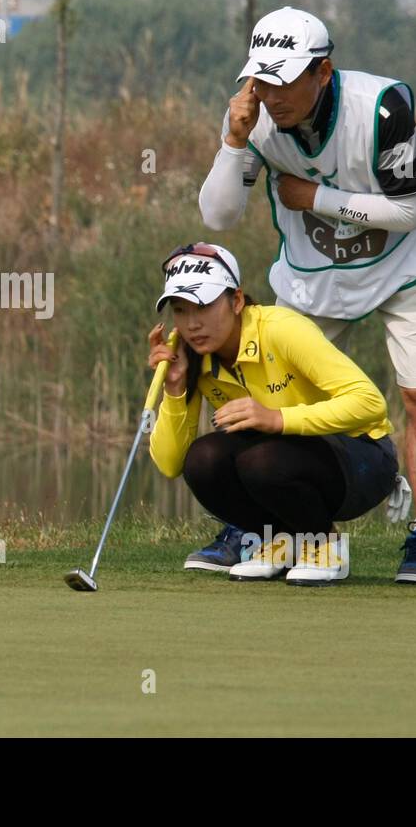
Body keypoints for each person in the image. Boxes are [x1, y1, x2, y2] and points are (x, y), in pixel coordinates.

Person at [199, 6, 416, 585]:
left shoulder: (384, 107)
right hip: (318, 268)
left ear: (323, 72)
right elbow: (219, 215)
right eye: (262, 79)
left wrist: (315, 198)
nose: (273, 94)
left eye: (287, 78)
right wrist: (234, 140)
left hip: (410, 262)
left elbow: (412, 207)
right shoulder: (252, 119)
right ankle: (265, 525)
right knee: (276, 387)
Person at [147, 242, 399, 585]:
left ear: (236, 301)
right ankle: (278, 538)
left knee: (262, 458)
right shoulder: (194, 359)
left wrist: (277, 419)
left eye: (203, 307)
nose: (192, 324)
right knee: (203, 459)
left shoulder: (281, 328)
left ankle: (324, 543)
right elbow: (170, 463)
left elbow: (370, 402)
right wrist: (174, 390)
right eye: (181, 310)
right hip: (284, 461)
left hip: (363, 458)